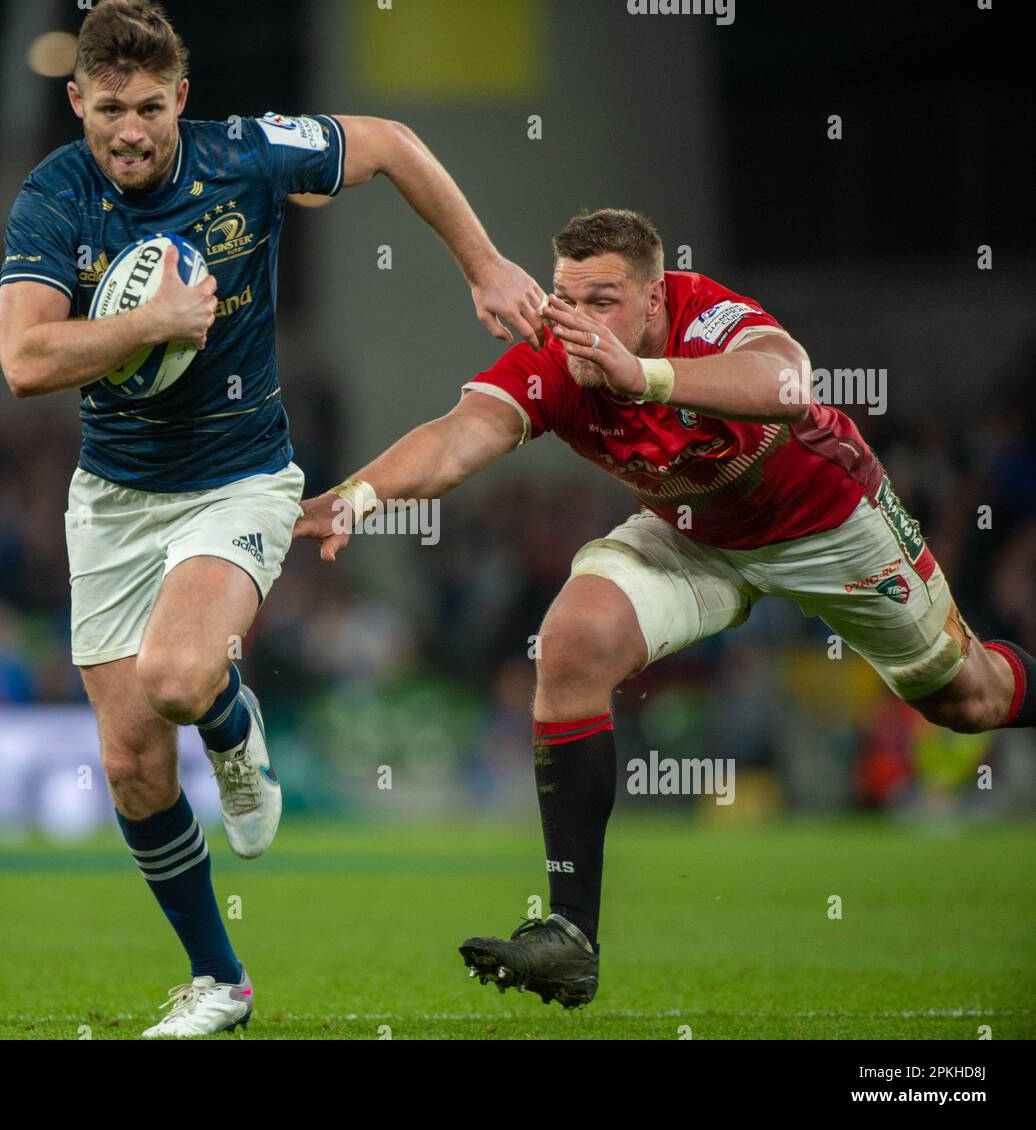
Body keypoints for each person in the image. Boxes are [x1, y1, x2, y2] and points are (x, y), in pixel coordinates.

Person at [295, 207, 1034, 1010]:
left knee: (970, 699)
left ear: (656, 300)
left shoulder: (705, 314)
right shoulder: (556, 354)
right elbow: (459, 435)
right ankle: (571, 936)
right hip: (694, 535)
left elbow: (786, 385)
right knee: (571, 640)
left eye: (604, 300)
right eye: (566, 297)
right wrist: (360, 494)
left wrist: (643, 376)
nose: (580, 321)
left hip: (829, 524)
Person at [0, 0, 543, 1037]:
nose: (130, 130)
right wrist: (152, 322)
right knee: (131, 761)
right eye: (108, 106)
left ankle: (235, 727)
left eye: (150, 106)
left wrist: (484, 264)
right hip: (111, 497)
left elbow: (390, 143)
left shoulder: (246, 156)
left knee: (180, 676)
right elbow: (24, 361)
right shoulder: (53, 198)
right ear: (77, 101)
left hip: (241, 478)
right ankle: (221, 983)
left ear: (181, 100)